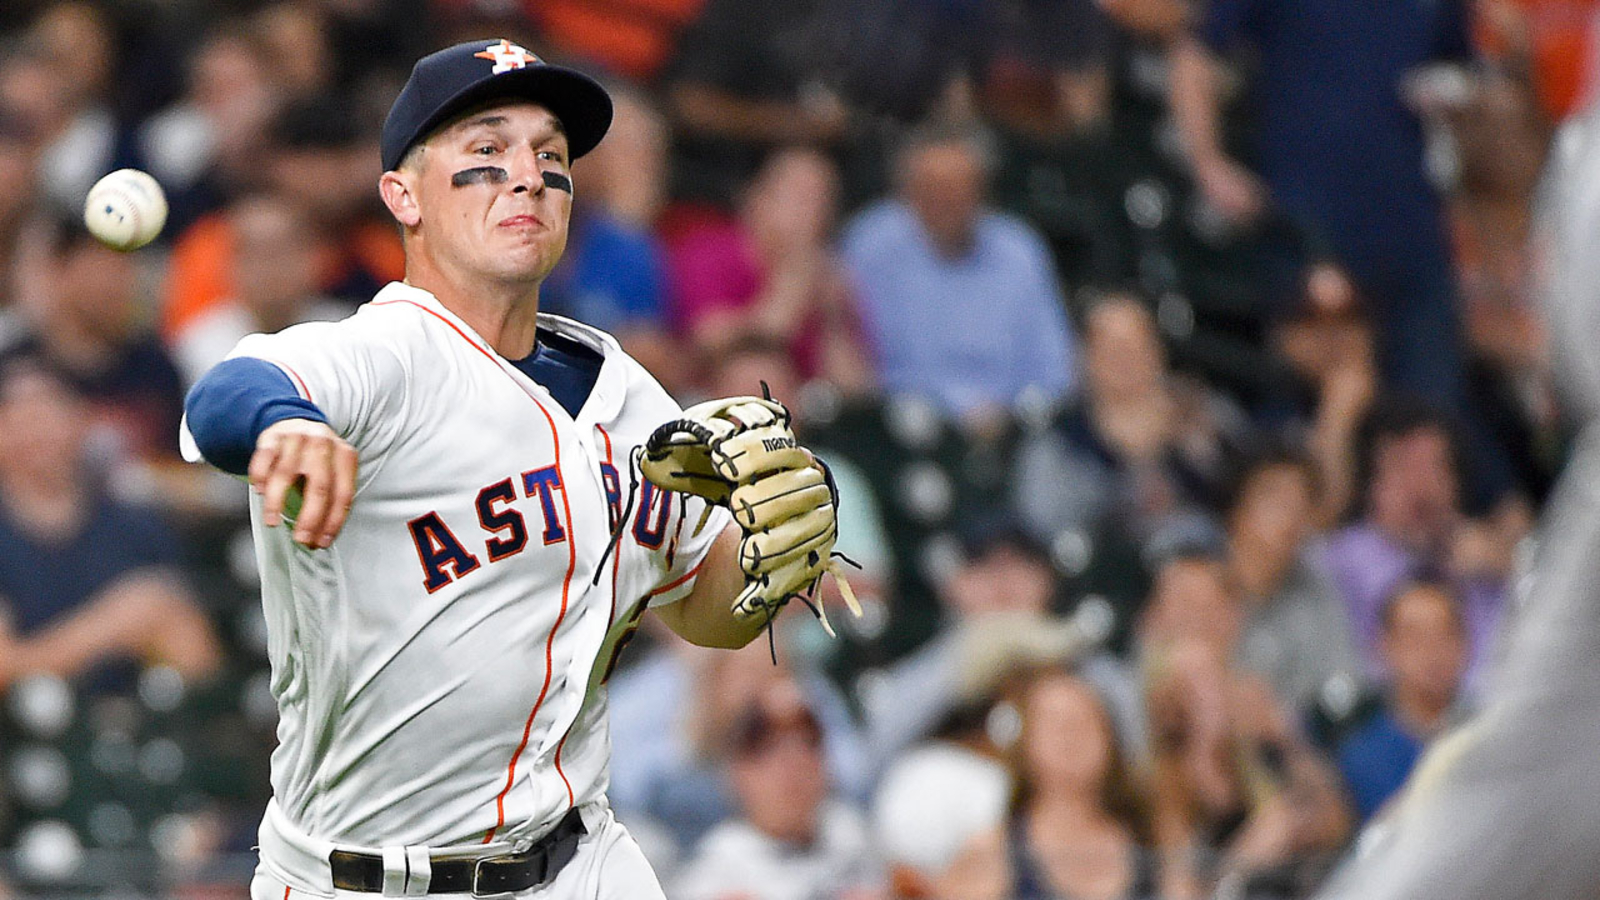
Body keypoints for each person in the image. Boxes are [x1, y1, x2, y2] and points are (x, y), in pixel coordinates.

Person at [180, 39, 841, 899]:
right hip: (364, 877)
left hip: (581, 861)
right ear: (402, 195)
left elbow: (704, 614)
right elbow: (229, 392)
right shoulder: (383, 357)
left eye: (551, 156)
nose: (526, 175)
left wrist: (761, 561)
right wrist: (284, 426)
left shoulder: (628, 395)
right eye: (486, 152)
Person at [672, 673, 885, 900]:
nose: (793, 764)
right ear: (736, 771)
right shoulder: (717, 871)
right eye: (768, 747)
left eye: (808, 742)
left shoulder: (850, 834)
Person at [1332, 581, 1472, 823]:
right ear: (1384, 646)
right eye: (1415, 636)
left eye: (1445, 633)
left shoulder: (1493, 730)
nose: (1432, 650)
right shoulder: (1361, 756)